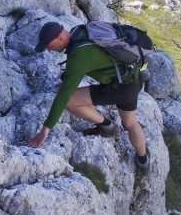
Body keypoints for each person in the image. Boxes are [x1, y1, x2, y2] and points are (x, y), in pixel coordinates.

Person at [26, 21, 150, 173]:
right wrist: (68, 82)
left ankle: (106, 126)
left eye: (50, 46)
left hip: (119, 88)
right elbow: (84, 65)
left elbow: (64, 95)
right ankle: (143, 161)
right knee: (131, 123)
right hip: (131, 78)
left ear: (59, 38)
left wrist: (45, 129)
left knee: (70, 101)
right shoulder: (79, 32)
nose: (50, 51)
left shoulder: (80, 54)